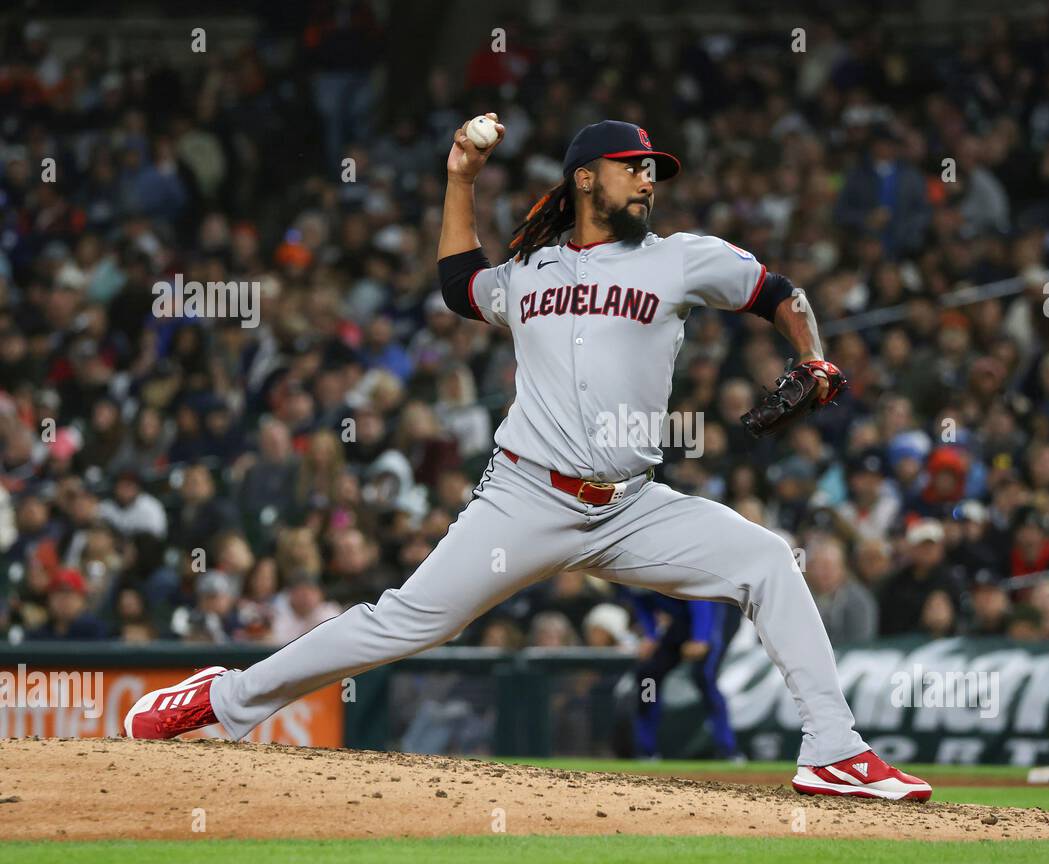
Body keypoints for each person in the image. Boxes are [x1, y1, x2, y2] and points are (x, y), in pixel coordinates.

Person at [123, 115, 932, 803]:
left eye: (653, 171)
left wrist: (813, 356)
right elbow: (455, 284)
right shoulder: (532, 271)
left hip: (630, 506)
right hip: (525, 498)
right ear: (587, 180)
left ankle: (832, 748)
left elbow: (781, 292)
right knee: (405, 620)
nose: (648, 181)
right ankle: (223, 698)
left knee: (766, 559)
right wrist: (460, 178)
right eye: (632, 168)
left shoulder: (682, 256)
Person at [627, 591, 736, 760]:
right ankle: (646, 750)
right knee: (648, 675)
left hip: (709, 613)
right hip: (681, 620)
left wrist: (700, 637)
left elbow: (698, 596)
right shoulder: (623, 582)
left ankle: (729, 751)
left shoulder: (655, 568)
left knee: (704, 676)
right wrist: (650, 635)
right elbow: (641, 602)